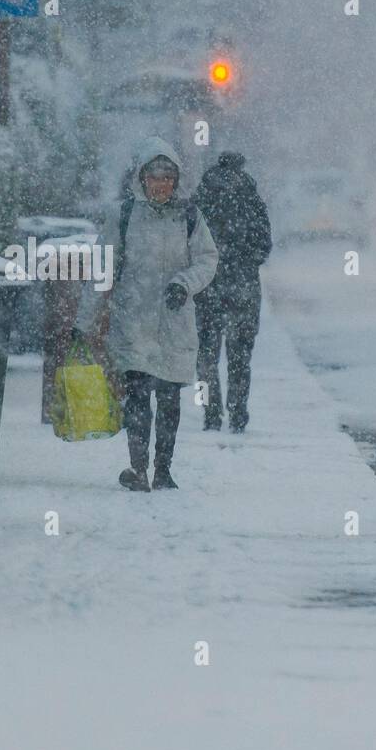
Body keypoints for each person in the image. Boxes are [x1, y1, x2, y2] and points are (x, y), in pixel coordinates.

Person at [77, 137, 219, 492]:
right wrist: (84, 320)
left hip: (174, 325)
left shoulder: (189, 217)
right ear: (142, 179)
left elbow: (207, 259)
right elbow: (103, 268)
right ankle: (139, 469)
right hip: (134, 322)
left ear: (176, 181)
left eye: (168, 178)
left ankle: (163, 469)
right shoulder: (123, 217)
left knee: (169, 399)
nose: (161, 185)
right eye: (154, 177)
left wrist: (183, 284)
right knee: (138, 397)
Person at [191, 151, 273, 433]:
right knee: (240, 355)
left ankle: (211, 414)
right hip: (243, 285)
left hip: (207, 285)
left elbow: (188, 241)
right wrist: (244, 260)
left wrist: (209, 263)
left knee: (205, 355)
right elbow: (264, 244)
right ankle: (238, 412)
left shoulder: (202, 196)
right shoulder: (250, 197)